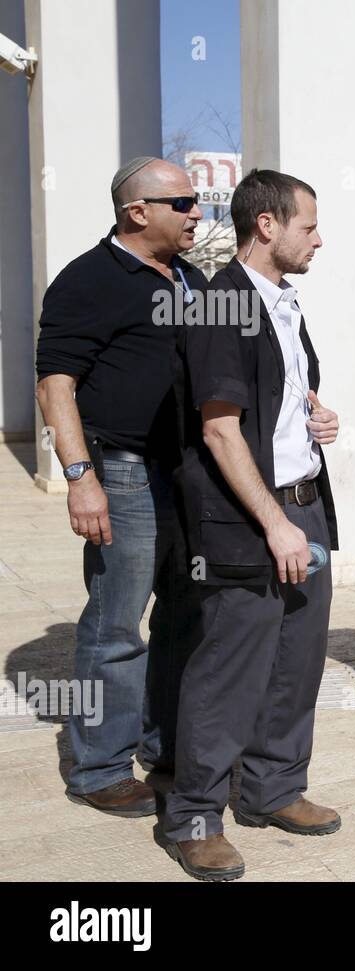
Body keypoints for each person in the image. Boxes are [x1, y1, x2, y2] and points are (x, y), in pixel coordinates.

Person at [162, 169, 342, 881]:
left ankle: (272, 789)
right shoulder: (221, 306)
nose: (318, 239)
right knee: (228, 671)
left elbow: (281, 395)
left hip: (307, 507)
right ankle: (196, 817)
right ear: (265, 225)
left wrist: (316, 412)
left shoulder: (283, 303)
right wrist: (274, 524)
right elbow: (220, 432)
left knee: (297, 663)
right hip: (250, 521)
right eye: (308, 225)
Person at [35, 156, 206, 817]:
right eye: (184, 202)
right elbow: (56, 384)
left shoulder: (188, 277)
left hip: (188, 472)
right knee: (115, 624)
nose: (197, 212)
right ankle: (101, 767)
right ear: (138, 212)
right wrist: (81, 478)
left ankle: (164, 745)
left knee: (185, 615)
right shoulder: (87, 280)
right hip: (124, 471)